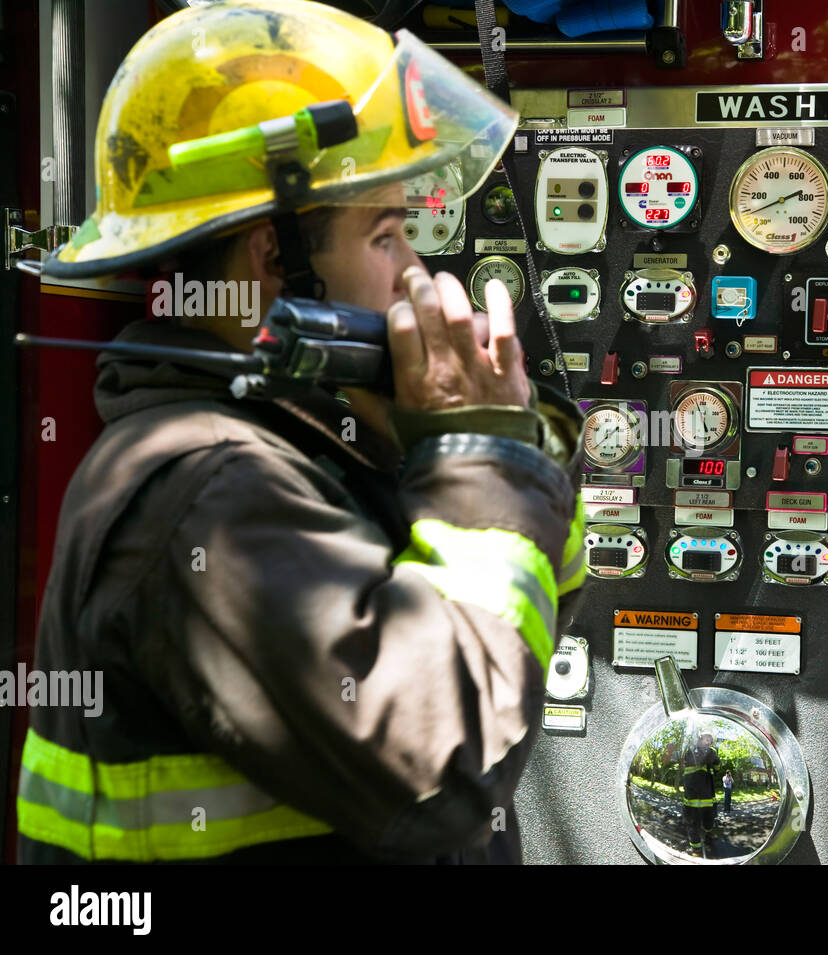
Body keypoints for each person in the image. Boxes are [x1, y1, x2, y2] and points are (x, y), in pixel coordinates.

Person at [16, 0, 585, 864]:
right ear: (274, 260)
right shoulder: (209, 492)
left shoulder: (311, 440)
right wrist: (479, 459)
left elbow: (514, 622)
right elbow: (446, 766)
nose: (417, 275)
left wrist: (500, 444)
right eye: (387, 235)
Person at [681, 732, 720, 854]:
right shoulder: (694, 751)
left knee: (709, 817)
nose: (708, 742)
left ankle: (708, 833)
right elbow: (711, 761)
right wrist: (713, 756)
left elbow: (717, 767)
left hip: (706, 793)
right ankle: (696, 847)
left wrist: (715, 764)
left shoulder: (710, 752)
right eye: (705, 739)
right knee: (692, 821)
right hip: (692, 793)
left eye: (710, 740)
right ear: (699, 739)